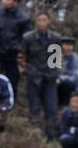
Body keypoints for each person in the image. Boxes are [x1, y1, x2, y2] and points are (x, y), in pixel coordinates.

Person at [18, 11, 59, 140]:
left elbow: (56, 59)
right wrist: (26, 71)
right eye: (39, 20)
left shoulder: (55, 38)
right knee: (34, 107)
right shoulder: (28, 37)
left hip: (49, 77)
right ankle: (36, 136)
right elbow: (22, 56)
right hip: (33, 75)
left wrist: (55, 74)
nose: (41, 23)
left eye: (44, 20)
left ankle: (52, 136)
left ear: (49, 22)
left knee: (51, 108)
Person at [57, 35, 78, 105]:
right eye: (66, 45)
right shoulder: (54, 57)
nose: (68, 48)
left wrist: (61, 79)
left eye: (70, 45)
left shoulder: (76, 59)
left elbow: (76, 77)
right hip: (55, 84)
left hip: (71, 87)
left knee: (67, 85)